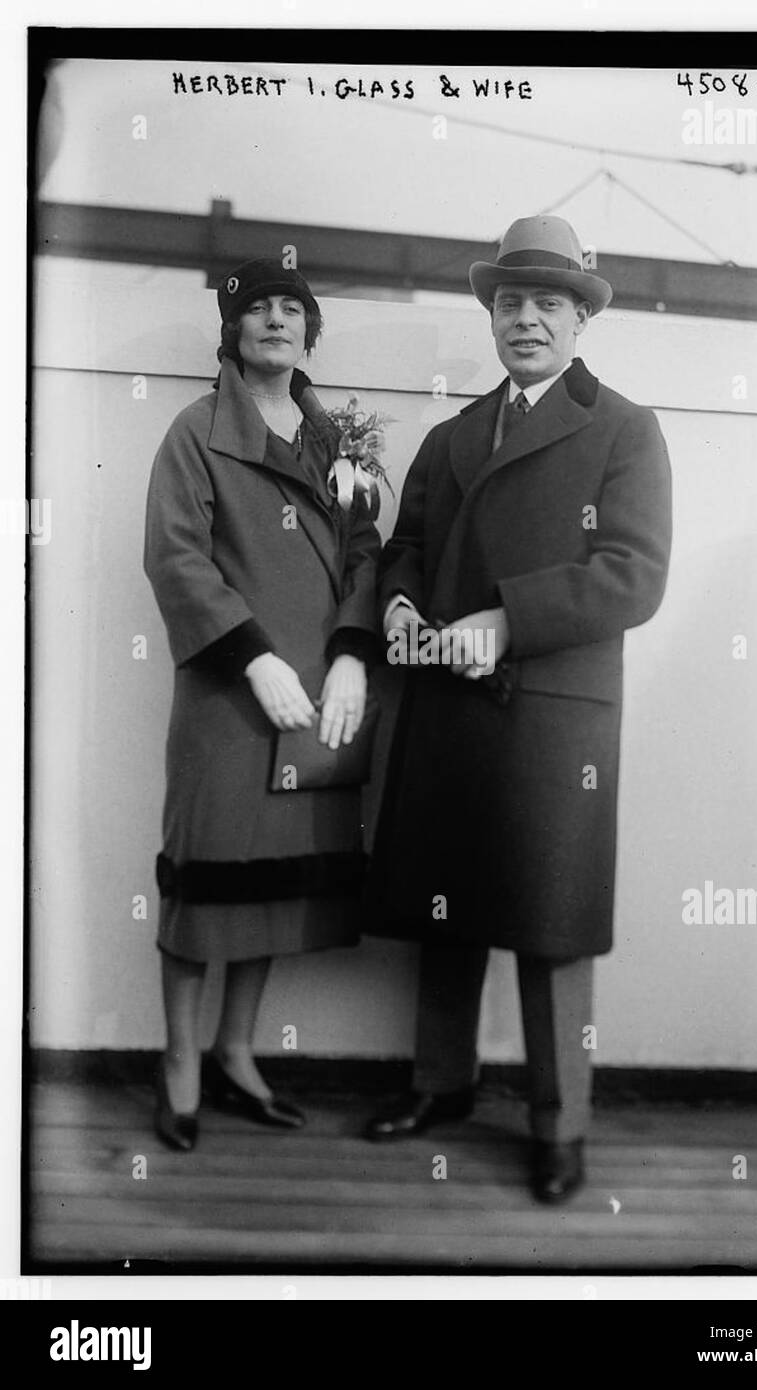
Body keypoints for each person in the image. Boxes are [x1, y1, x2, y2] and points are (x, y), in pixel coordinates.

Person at [364, 215, 673, 1203]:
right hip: (449, 702)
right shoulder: (452, 435)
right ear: (491, 316)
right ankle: (440, 1087)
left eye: (548, 303)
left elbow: (635, 575)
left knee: (550, 926)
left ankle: (559, 1126)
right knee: (446, 913)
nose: (527, 319)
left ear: (581, 319)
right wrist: (402, 604)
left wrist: (507, 621)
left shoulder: (626, 428)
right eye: (510, 302)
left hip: (550, 714)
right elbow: (403, 545)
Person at [144, 256, 379, 1151]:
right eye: (259, 309)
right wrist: (252, 657)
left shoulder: (337, 441)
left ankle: (237, 1054)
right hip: (230, 699)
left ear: (309, 331)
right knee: (206, 880)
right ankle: (178, 1065)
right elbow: (176, 557)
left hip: (318, 696)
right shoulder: (197, 431)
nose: (276, 320)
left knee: (272, 886)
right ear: (233, 330)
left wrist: (353, 655)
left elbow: (364, 555)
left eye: (293, 309)